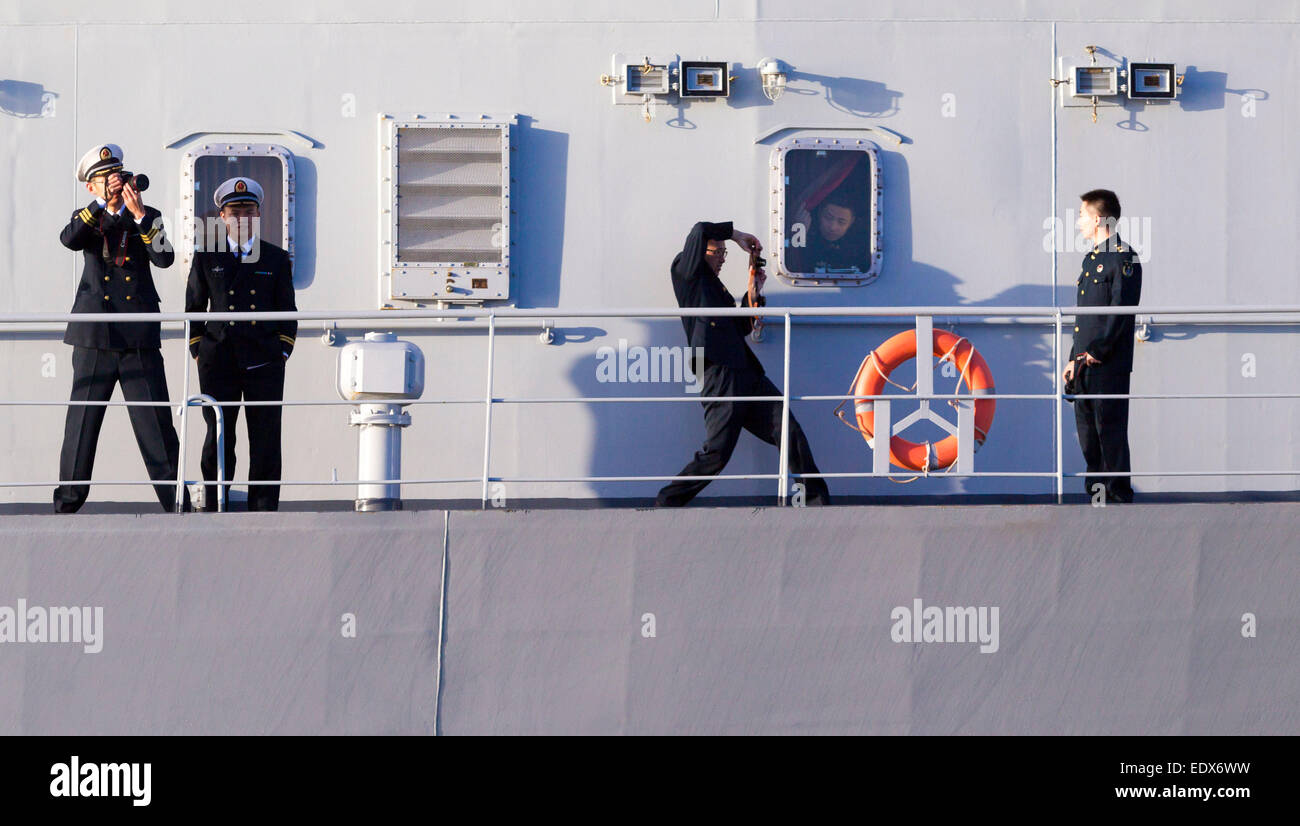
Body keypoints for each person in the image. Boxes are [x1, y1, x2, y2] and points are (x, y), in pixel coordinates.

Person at [656, 221, 831, 507]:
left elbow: (741, 328)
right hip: (718, 370)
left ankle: (816, 500)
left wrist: (752, 293)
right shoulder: (686, 273)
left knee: (788, 430)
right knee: (717, 453)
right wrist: (736, 236)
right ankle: (667, 501)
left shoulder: (718, 290)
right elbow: (700, 229)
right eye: (718, 252)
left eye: (725, 254)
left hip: (746, 370)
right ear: (701, 252)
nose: (722, 259)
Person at [54, 143, 187, 513]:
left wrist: (140, 215)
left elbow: (164, 257)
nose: (113, 183)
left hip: (137, 338)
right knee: (81, 425)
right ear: (91, 187)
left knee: (156, 426)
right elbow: (70, 239)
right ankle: (67, 504)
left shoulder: (148, 216)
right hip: (94, 336)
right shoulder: (88, 217)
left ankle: (177, 505)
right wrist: (104, 206)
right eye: (104, 179)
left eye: (117, 176)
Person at [185, 177, 297, 511]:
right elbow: (193, 308)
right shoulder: (207, 256)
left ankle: (263, 509)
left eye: (248, 210)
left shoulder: (276, 259)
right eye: (234, 211)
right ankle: (217, 501)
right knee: (219, 436)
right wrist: (198, 350)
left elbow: (287, 311)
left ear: (258, 214)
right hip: (218, 360)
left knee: (265, 439)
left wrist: (282, 351)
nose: (241, 217)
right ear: (222, 216)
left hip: (264, 360)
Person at [1063, 189, 1142, 503]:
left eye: (1082, 215)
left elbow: (1121, 309)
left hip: (1107, 363)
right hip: (1082, 363)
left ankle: (1118, 495)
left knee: (1109, 429)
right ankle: (1096, 496)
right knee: (1088, 435)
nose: (1079, 222)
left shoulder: (1125, 257)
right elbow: (1084, 319)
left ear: (1097, 219)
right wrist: (1073, 358)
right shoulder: (1090, 259)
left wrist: (1098, 350)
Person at [790, 188, 870, 274]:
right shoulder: (807, 237)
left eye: (841, 222)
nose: (833, 227)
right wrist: (800, 232)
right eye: (828, 218)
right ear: (820, 213)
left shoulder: (860, 249)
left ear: (851, 222)